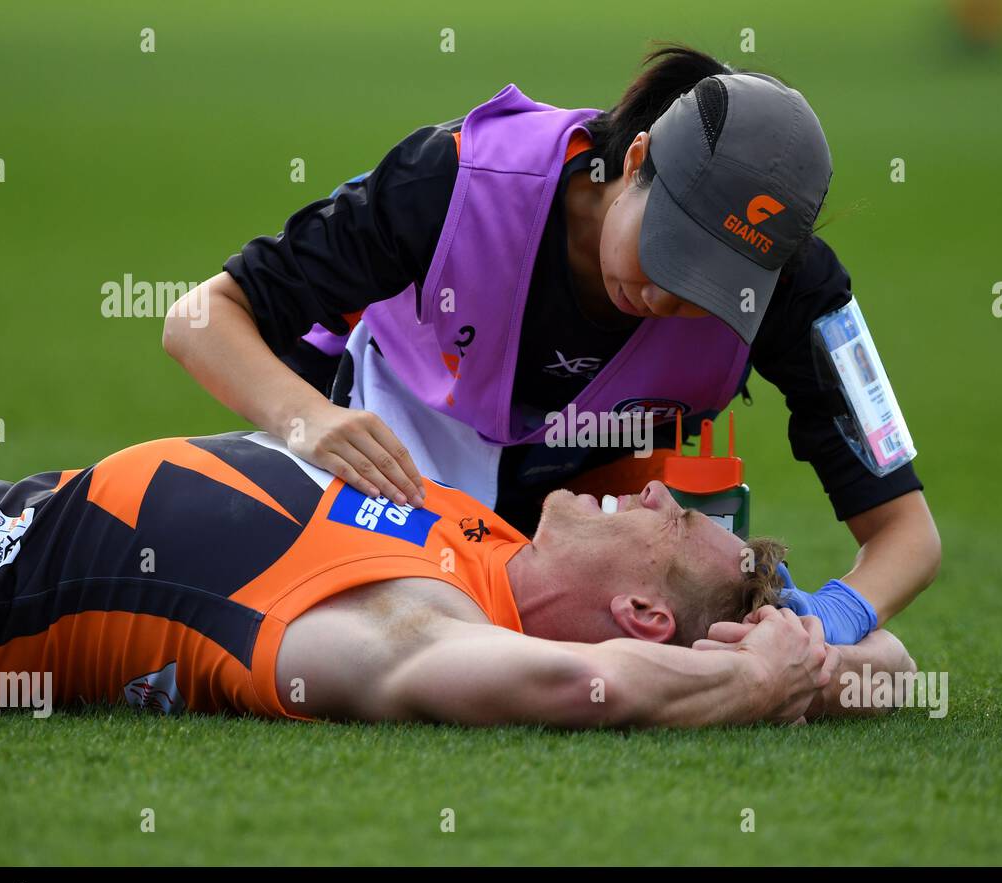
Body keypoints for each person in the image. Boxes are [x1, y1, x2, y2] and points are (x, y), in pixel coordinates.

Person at [162, 44, 940, 650]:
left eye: (709, 286)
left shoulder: (800, 293)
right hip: (380, 455)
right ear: (635, 163)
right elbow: (198, 319)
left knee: (868, 658)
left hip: (576, 524)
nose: (667, 298)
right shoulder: (457, 179)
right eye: (667, 253)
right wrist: (306, 421)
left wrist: (836, 615)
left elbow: (908, 533)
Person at [0, 432, 914, 725]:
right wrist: (807, 648)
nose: (657, 489)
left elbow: (585, 685)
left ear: (642, 614)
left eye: (679, 522)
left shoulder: (416, 622)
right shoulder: (487, 539)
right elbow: (892, 664)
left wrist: (758, 679)